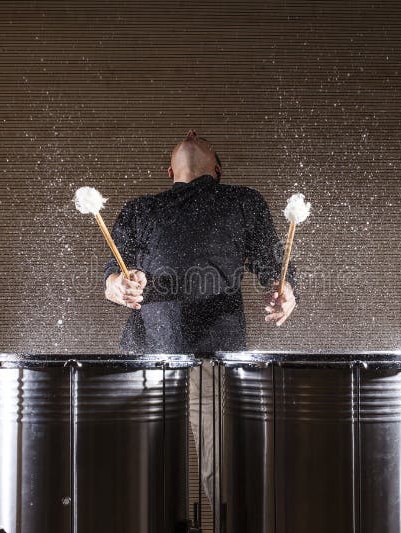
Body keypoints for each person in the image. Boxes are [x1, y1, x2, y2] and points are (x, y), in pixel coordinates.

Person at [102, 129, 298, 507]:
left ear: (218, 169)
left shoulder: (243, 202)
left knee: (222, 469)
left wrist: (286, 291)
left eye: (202, 138)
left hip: (215, 356)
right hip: (147, 354)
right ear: (169, 171)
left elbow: (273, 265)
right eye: (190, 136)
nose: (191, 132)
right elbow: (114, 271)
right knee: (141, 471)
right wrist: (116, 285)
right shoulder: (139, 209)